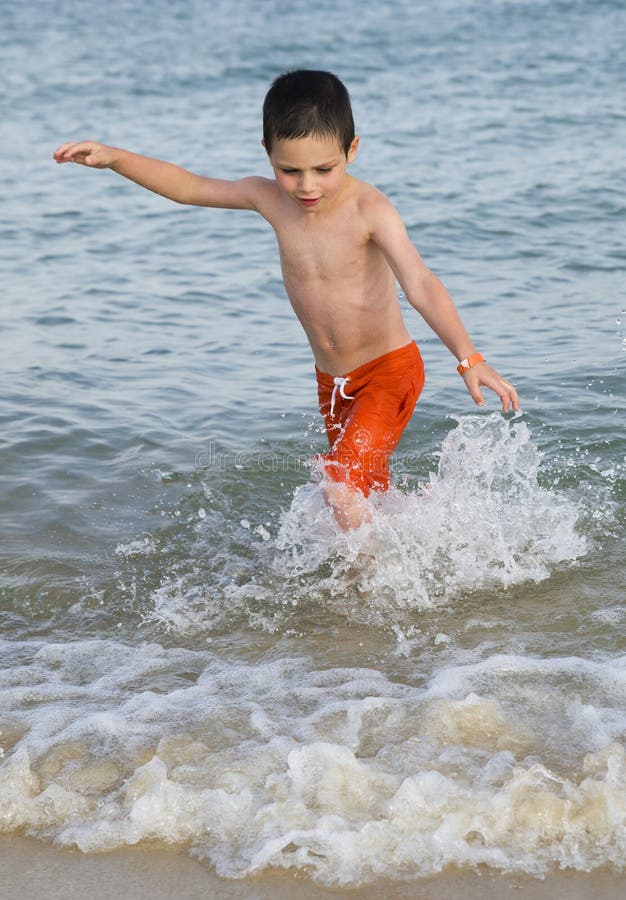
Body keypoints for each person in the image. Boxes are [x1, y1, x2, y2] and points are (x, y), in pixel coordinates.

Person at [54, 69, 519, 530]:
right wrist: (115, 158)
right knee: (367, 494)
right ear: (267, 155)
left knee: (340, 486)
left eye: (323, 169)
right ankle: (422, 550)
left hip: (389, 373)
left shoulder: (369, 210)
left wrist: (468, 358)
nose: (306, 186)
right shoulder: (269, 198)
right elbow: (187, 187)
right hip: (333, 385)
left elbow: (420, 282)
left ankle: (365, 595)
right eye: (289, 170)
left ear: (352, 151)